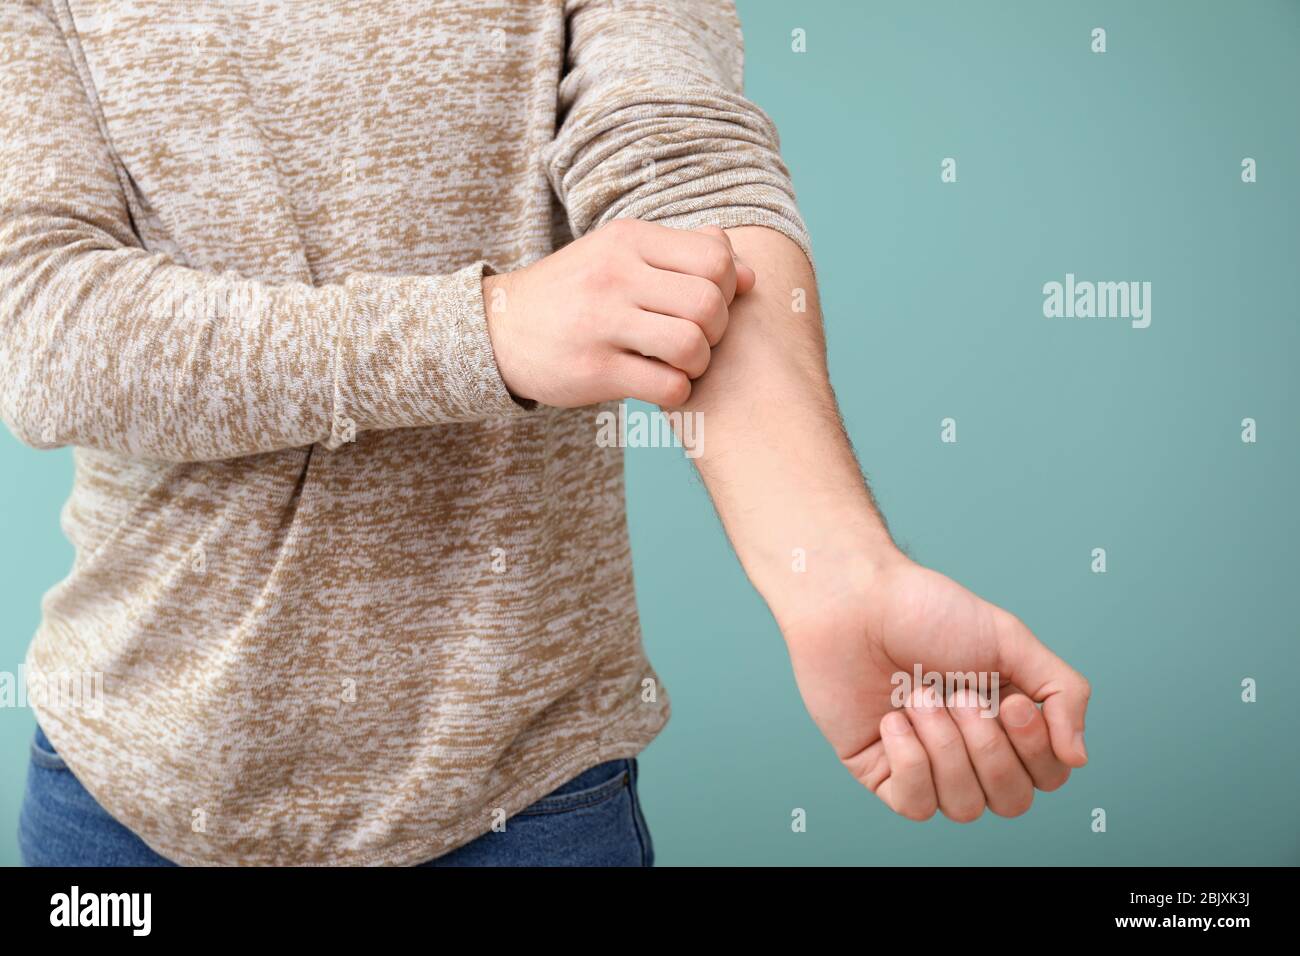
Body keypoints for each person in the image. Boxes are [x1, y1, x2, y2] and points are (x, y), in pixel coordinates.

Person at [0, 0, 1090, 867]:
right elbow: (41, 323)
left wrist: (838, 572)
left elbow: (682, 179)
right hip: (129, 796)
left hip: (528, 797)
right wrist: (488, 329)